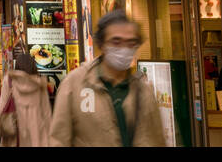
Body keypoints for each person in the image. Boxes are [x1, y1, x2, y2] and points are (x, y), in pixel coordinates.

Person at [51, 10, 164, 147]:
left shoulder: (143, 91)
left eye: (131, 43)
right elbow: (58, 139)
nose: (124, 48)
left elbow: (156, 139)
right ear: (102, 44)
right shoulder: (74, 84)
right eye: (116, 42)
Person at [0, 52, 51, 147]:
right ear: (33, 66)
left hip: (14, 127)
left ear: (17, 65)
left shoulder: (9, 80)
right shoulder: (39, 82)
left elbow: (2, 105)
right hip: (35, 129)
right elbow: (46, 111)